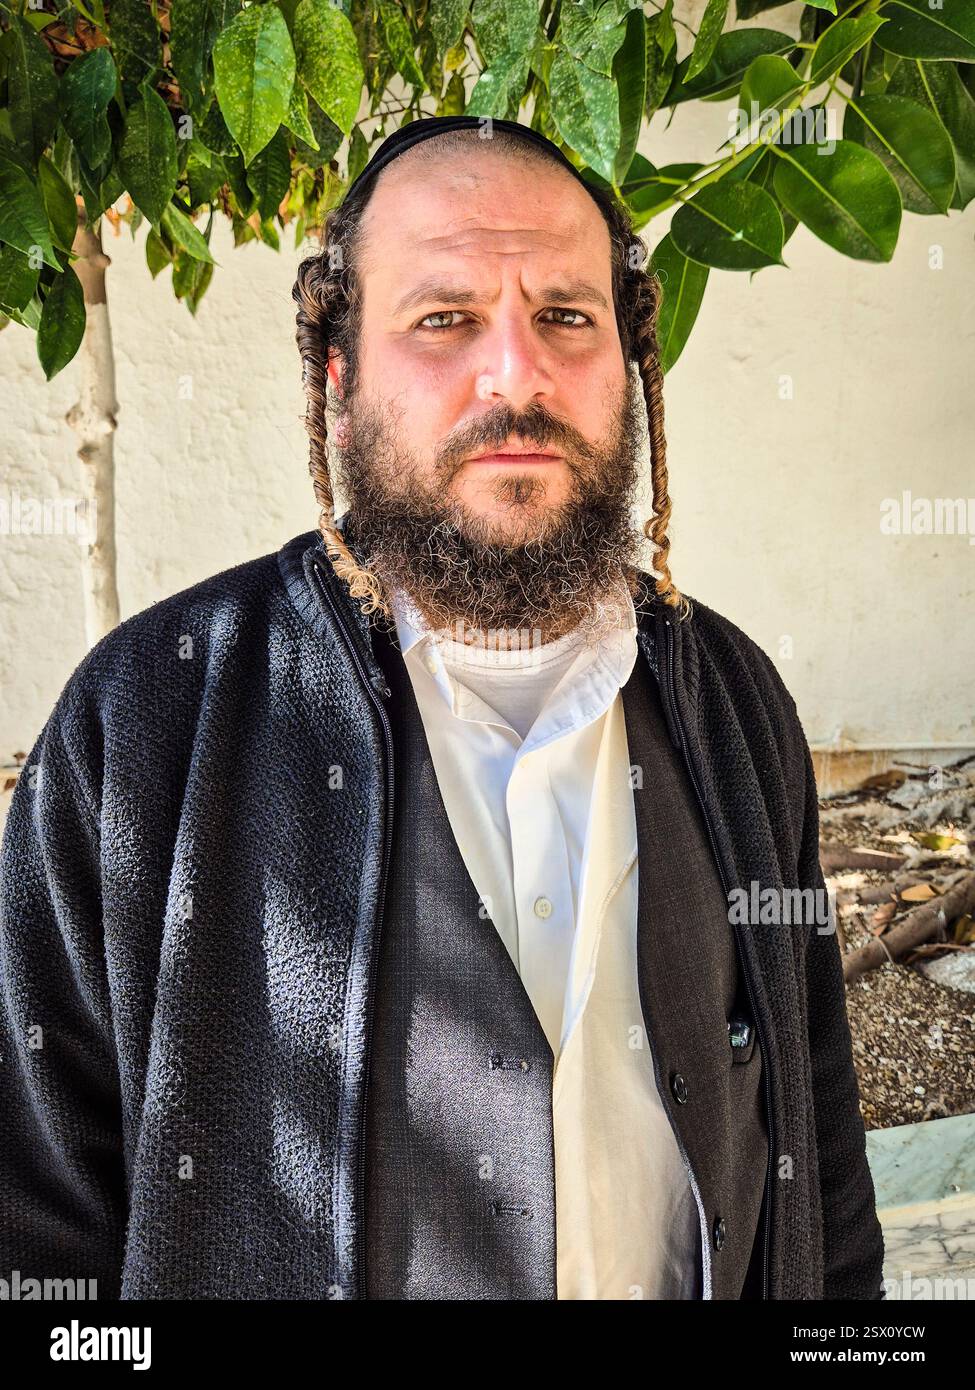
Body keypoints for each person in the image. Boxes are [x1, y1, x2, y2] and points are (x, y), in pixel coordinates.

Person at [0, 115, 885, 1300]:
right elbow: (35, 1221)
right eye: (445, 319)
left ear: (627, 358)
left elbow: (816, 1153)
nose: (516, 373)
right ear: (339, 374)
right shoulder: (146, 725)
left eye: (566, 316)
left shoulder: (734, 706)